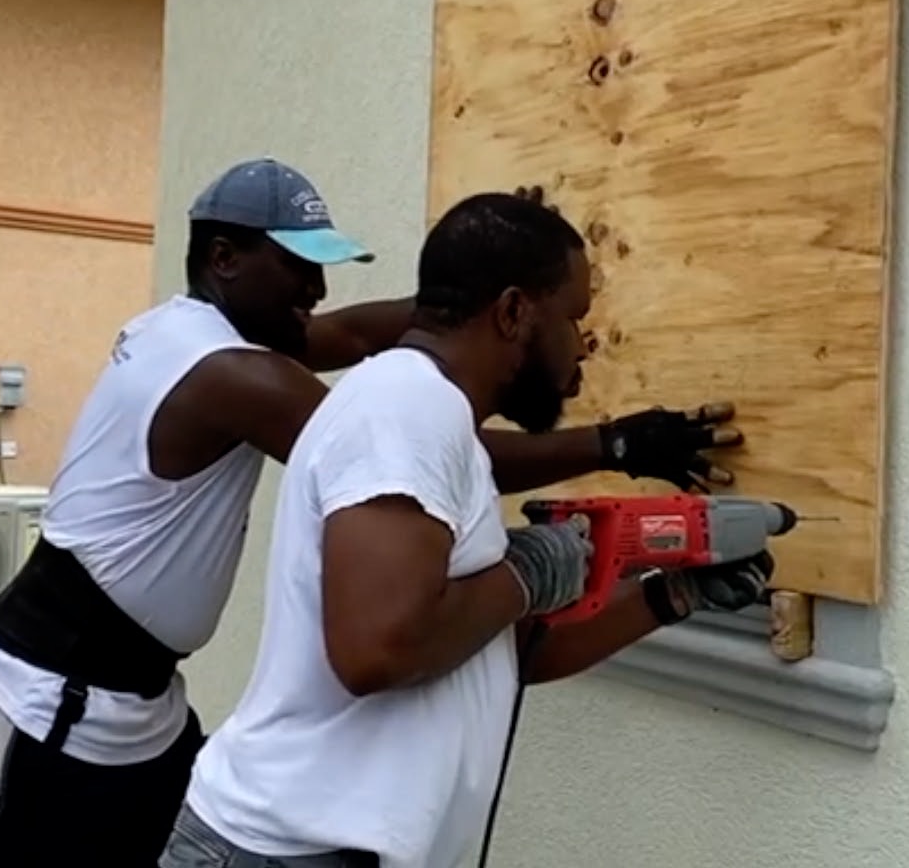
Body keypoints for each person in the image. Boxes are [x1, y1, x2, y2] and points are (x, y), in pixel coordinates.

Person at [0, 160, 743, 868]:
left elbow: (355, 336)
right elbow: (419, 458)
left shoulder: (191, 326)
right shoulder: (246, 378)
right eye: (297, 266)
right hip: (45, 690)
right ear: (224, 258)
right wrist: (610, 448)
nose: (318, 285)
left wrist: (480, 293)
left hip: (138, 704)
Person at [158, 191, 776, 868]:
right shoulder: (406, 407)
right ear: (514, 313)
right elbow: (377, 654)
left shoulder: (439, 421)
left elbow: (495, 653)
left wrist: (670, 597)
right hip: (283, 852)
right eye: (573, 319)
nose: (585, 346)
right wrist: (525, 574)